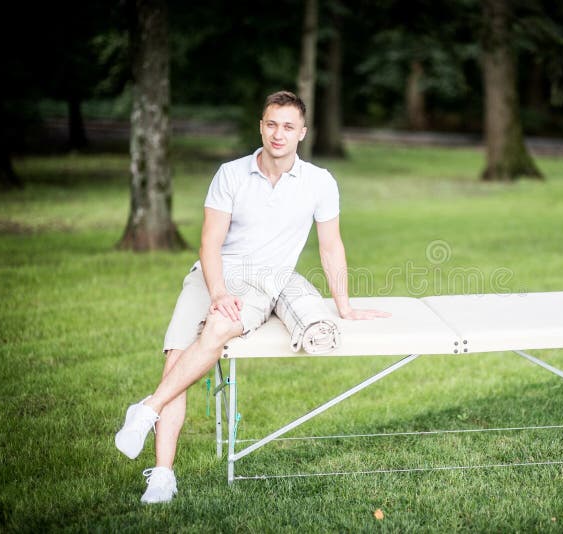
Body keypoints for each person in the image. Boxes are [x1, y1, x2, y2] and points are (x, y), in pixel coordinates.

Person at [115, 91, 389, 504]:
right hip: (214, 274)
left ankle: (147, 409)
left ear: (302, 133)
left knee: (220, 326)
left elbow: (331, 247)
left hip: (265, 281)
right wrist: (219, 289)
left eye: (288, 127)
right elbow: (209, 243)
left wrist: (345, 305)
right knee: (176, 357)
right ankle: (162, 476)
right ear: (261, 126)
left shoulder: (319, 182)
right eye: (272, 124)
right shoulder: (230, 174)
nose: (279, 134)